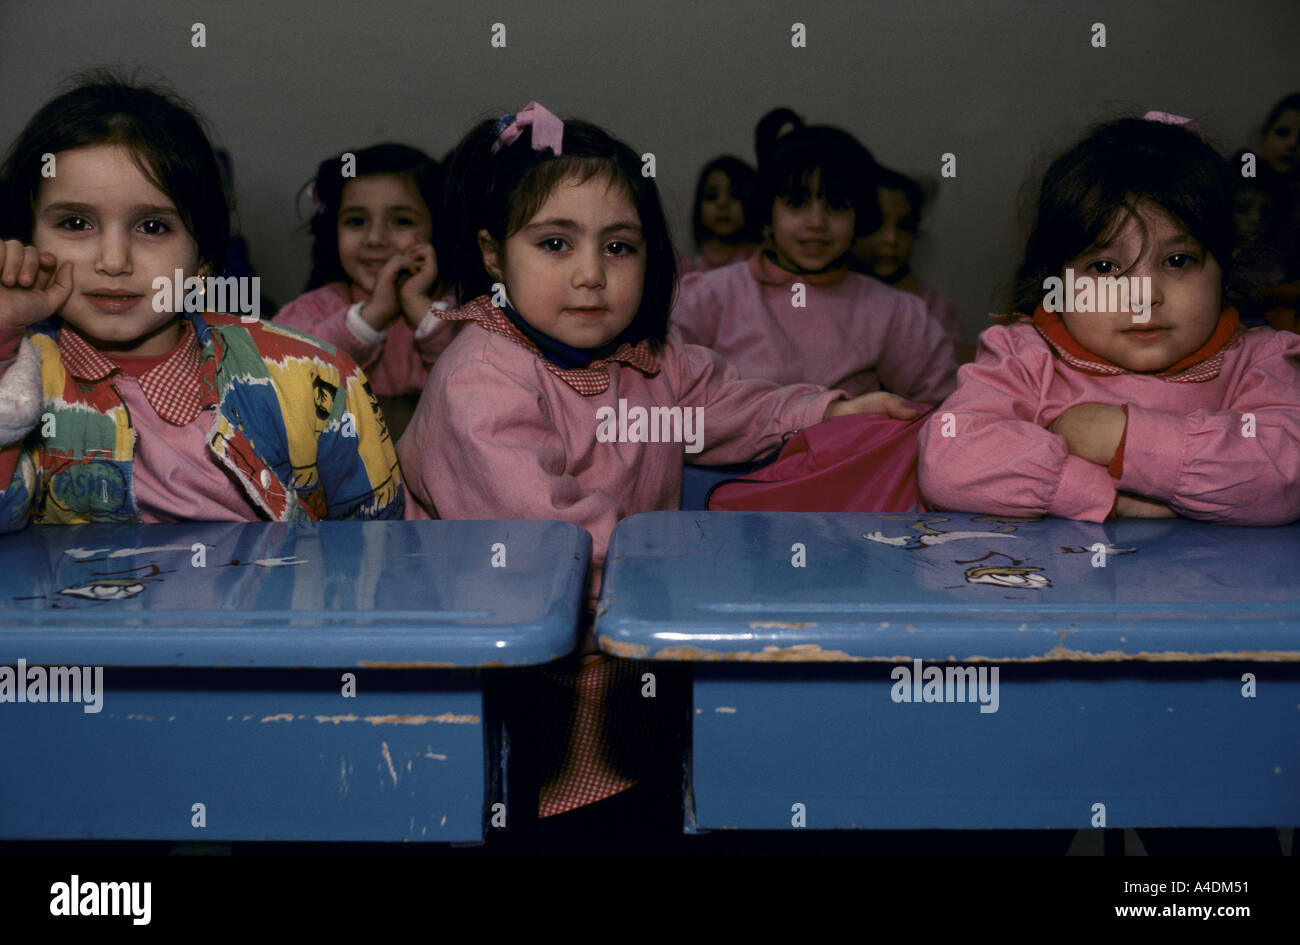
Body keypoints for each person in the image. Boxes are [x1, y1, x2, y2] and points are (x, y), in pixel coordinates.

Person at [398, 101, 917, 820]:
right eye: (555, 244)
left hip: (633, 671)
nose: (591, 275)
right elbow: (553, 545)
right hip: (509, 705)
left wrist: (826, 411)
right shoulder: (480, 375)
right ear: (493, 255)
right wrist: (703, 572)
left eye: (619, 247)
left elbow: (730, 405)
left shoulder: (648, 362)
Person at [0, 73, 403, 530]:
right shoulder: (19, 369)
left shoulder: (315, 380)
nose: (113, 261)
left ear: (204, 259)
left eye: (153, 227)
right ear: (23, 242)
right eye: (75, 223)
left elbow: (379, 544)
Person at [917, 113, 1300, 525]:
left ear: (1226, 270)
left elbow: (1285, 476)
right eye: (1104, 268)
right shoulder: (1025, 357)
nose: (1144, 296)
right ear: (1056, 282)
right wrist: (1098, 495)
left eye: (1177, 260)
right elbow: (949, 456)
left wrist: (1123, 438)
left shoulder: (1258, 361)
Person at [672, 107, 956, 403]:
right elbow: (665, 395)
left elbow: (942, 408)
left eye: (837, 206)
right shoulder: (708, 297)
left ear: (860, 217)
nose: (817, 223)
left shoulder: (895, 312)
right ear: (767, 214)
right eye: (797, 204)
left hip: (848, 449)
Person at [275, 143, 459, 438]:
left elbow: (475, 378)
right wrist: (372, 317)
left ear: (437, 229)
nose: (375, 238)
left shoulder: (460, 310)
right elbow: (284, 382)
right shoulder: (309, 312)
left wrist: (419, 306)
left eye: (401, 221)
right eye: (356, 221)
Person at [851, 166, 968, 361]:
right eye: (876, 224)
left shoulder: (933, 307)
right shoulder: (834, 294)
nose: (891, 239)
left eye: (904, 226)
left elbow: (951, 371)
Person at [678, 155, 760, 274]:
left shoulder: (761, 263)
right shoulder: (688, 268)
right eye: (712, 196)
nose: (722, 204)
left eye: (735, 195)